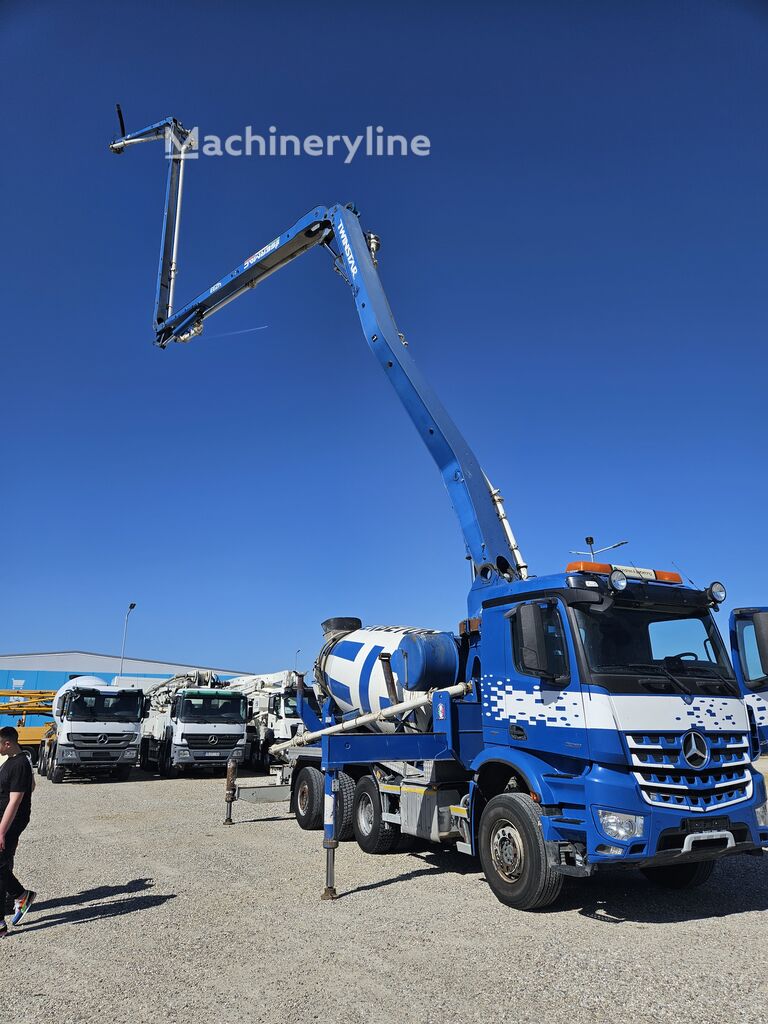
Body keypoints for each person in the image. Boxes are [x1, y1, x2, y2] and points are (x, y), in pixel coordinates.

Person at [0, 726, 37, 937]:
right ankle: (21, 895)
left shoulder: (20, 763)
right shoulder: (14, 762)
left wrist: (2, 831)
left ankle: (18, 898)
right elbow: (31, 786)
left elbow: (15, 801)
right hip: (5, 820)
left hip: (10, 822)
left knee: (1, 866)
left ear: (7, 743)